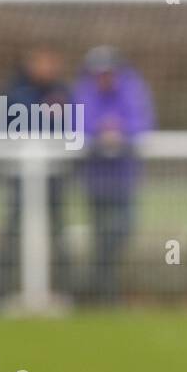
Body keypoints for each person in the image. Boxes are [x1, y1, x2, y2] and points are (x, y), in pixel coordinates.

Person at [0, 44, 72, 306]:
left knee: (57, 233)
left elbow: (71, 129)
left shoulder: (63, 93)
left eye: (51, 62)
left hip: (54, 176)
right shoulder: (12, 93)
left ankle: (67, 291)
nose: (46, 68)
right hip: (19, 177)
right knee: (13, 233)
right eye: (41, 61)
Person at [72, 46, 154, 304]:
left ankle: (95, 285)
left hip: (124, 177)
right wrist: (100, 132)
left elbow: (142, 123)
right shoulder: (84, 92)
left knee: (122, 228)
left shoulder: (132, 89)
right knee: (101, 233)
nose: (103, 78)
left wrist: (121, 132)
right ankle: (104, 294)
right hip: (95, 178)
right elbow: (77, 126)